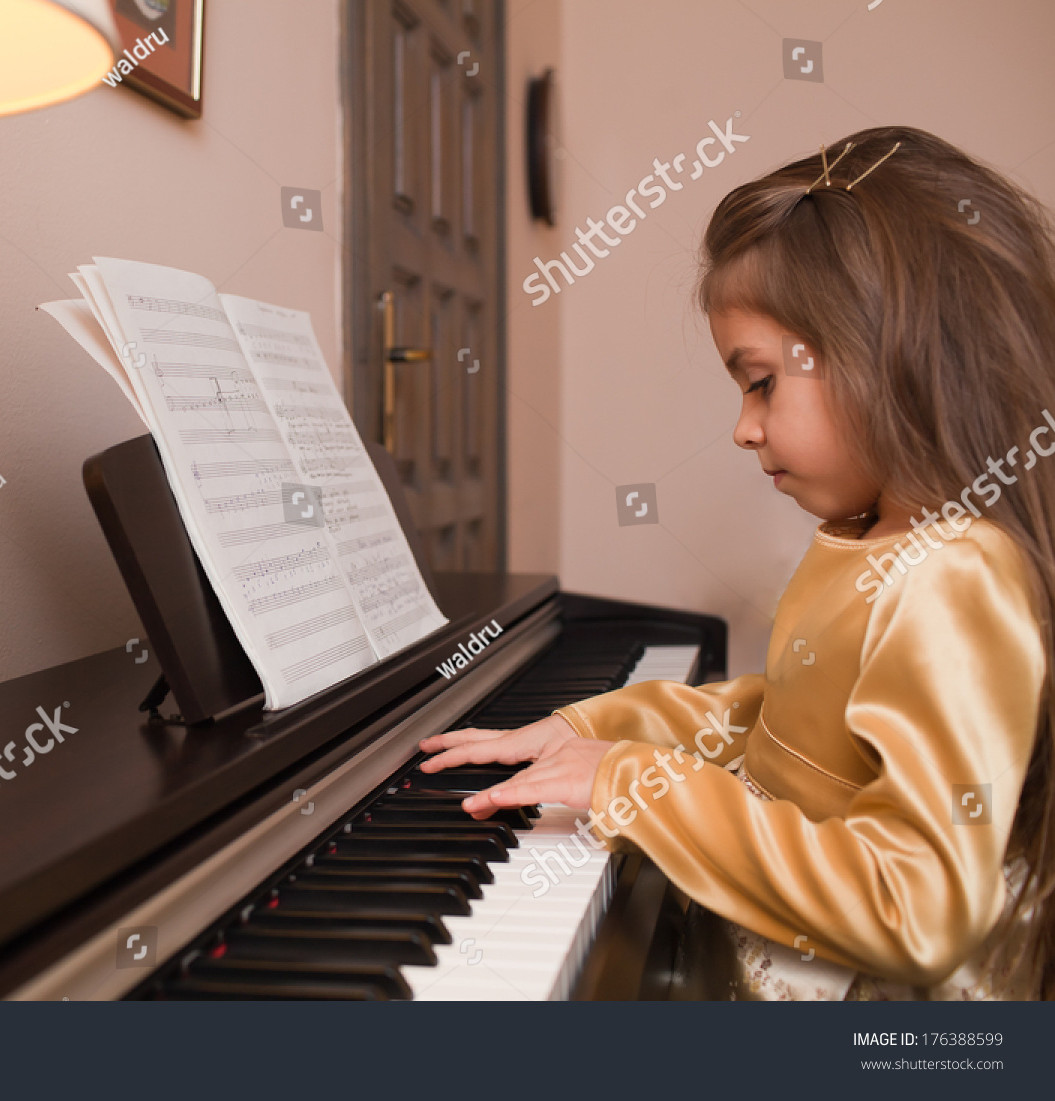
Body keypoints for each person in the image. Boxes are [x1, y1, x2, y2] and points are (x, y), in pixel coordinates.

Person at [420, 126, 1055, 1000]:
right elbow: (790, 724)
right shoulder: (880, 540)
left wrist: (636, 781)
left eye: (760, 382)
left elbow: (919, 905)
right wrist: (597, 732)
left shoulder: (955, 577)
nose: (743, 426)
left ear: (894, 353)